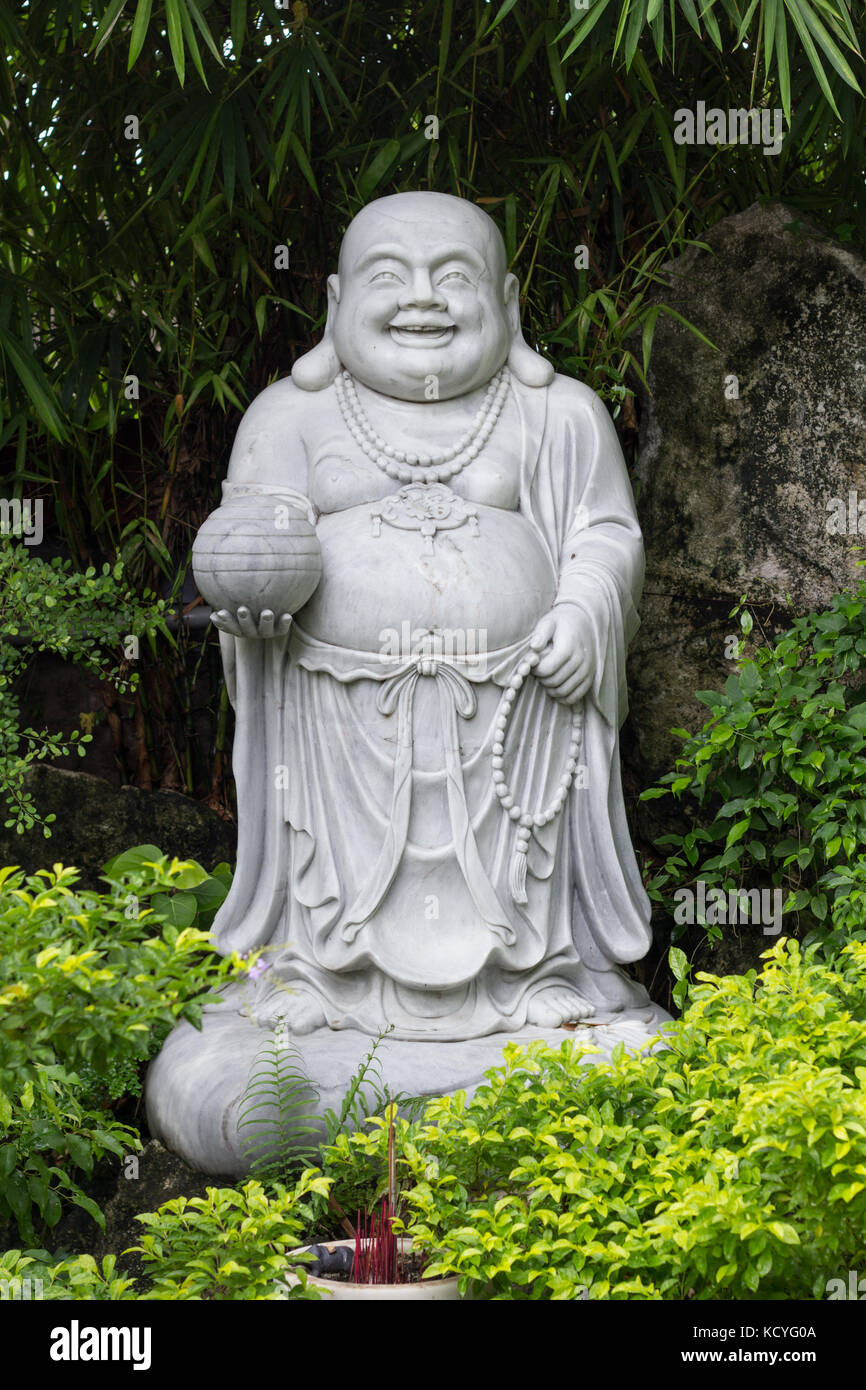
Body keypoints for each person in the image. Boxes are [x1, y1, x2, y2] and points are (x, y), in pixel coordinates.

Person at [207, 190, 654, 1040]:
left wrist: (582, 607)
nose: (422, 298)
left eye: (453, 277)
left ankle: (532, 973)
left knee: (522, 844)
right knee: (333, 854)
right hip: (332, 716)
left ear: (509, 303)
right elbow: (246, 540)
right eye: (390, 276)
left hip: (516, 708)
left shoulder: (557, 416)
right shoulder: (287, 416)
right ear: (336, 304)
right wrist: (251, 608)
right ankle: (322, 970)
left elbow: (607, 536)